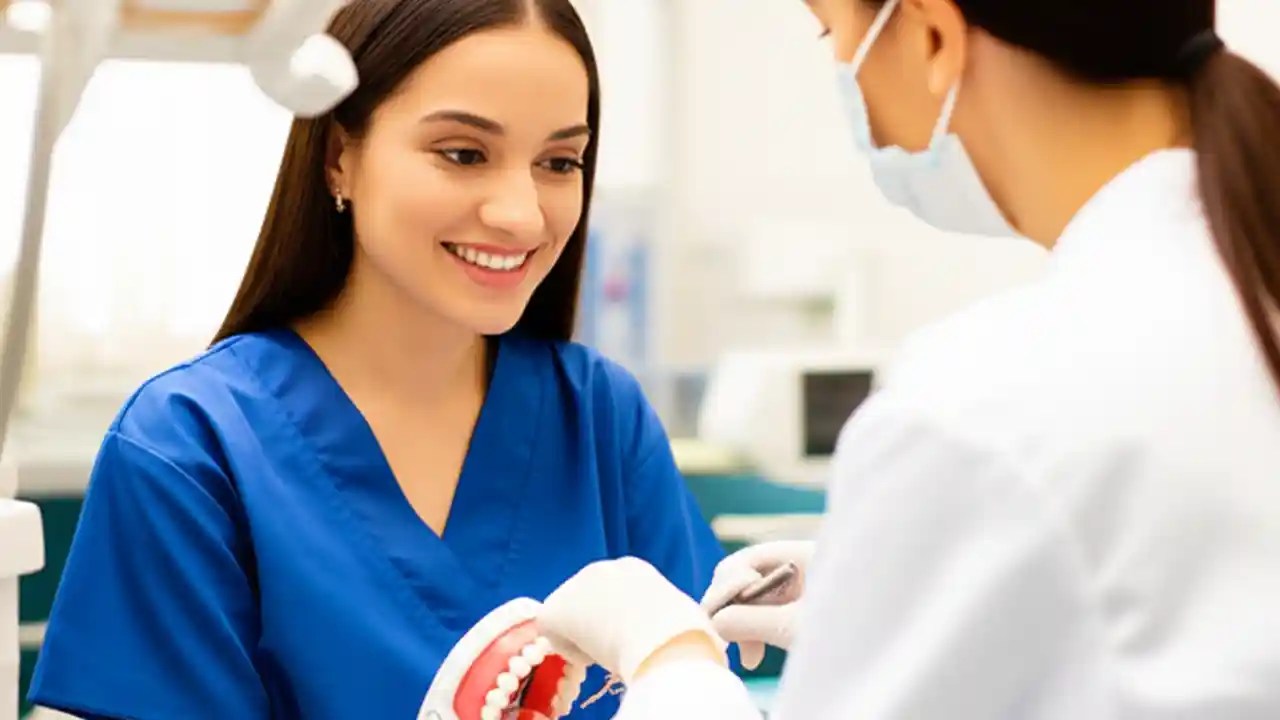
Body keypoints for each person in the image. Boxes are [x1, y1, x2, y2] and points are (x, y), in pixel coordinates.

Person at [536, 0, 1280, 718]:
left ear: (929, 37)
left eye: (831, 33)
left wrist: (672, 666)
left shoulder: (980, 406)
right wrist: (889, 587)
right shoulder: (1228, 293)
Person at [26, 1, 726, 718]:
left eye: (558, 162)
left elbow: (707, 682)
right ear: (339, 158)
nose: (521, 212)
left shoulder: (600, 420)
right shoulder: (194, 443)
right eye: (463, 154)